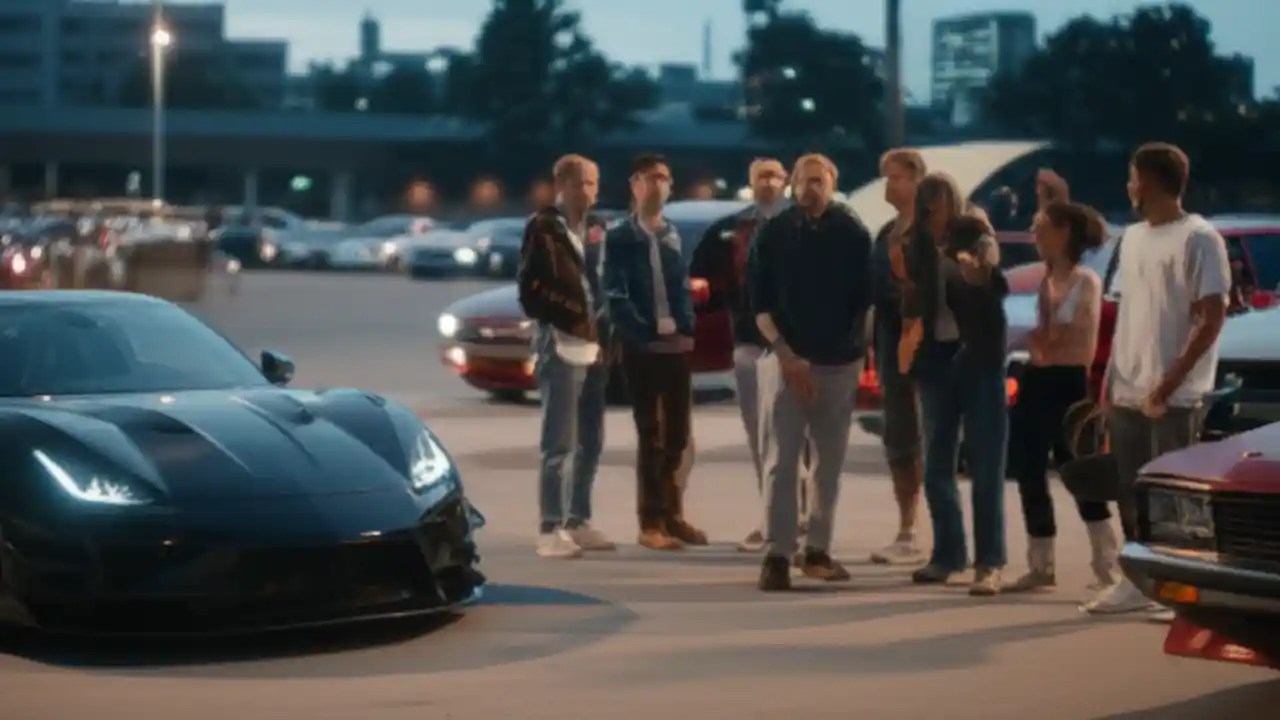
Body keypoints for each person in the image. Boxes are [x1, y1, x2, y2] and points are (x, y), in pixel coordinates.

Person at [1084, 142, 1230, 615]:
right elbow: (1127, 312)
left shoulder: (1200, 238)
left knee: (1173, 496)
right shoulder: (1131, 239)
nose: (1128, 186)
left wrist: (1169, 383)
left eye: (1131, 177)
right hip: (1129, 385)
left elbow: (1211, 318)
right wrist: (1109, 383)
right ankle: (1139, 582)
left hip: (1176, 393)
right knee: (1131, 490)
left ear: (1144, 182)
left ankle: (1180, 587)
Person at [751, 153, 874, 591]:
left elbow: (866, 302)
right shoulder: (775, 233)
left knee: (829, 463)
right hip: (787, 362)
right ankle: (778, 553)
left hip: (839, 363)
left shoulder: (853, 233)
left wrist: (857, 355)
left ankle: (818, 547)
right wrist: (787, 355)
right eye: (804, 181)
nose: (810, 189)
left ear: (833, 185)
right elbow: (760, 306)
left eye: (819, 181)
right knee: (782, 461)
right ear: (793, 185)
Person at [688, 157, 812, 553]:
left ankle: (804, 514)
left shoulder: (804, 224)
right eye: (761, 176)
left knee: (798, 434)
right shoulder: (732, 229)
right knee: (760, 433)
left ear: (786, 181)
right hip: (747, 339)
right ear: (751, 182)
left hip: (797, 342)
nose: (768, 183)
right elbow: (702, 279)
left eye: (774, 176)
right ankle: (772, 513)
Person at [1006, 200, 1119, 592]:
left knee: (1078, 470)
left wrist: (1038, 339)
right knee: (1028, 468)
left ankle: (1106, 561)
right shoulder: (1045, 281)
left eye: (1041, 228)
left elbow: (1064, 335)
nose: (1034, 235)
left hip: (1069, 382)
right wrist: (1035, 341)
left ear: (1063, 233)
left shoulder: (1085, 281)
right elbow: (1043, 338)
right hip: (1038, 378)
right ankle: (1041, 561)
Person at [906, 174, 1011, 596]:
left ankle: (990, 562)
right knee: (935, 464)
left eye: (939, 204)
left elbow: (997, 283)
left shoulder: (975, 232)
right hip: (934, 357)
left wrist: (979, 275)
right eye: (926, 206)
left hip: (978, 357)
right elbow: (914, 298)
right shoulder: (918, 243)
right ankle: (948, 554)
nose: (933, 213)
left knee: (985, 465)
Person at [603, 153, 706, 551]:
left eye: (664, 178)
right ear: (635, 185)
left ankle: (672, 513)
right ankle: (650, 522)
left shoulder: (672, 234)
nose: (658, 185)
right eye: (650, 177)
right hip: (641, 346)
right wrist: (642, 332)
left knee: (679, 435)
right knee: (652, 434)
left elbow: (681, 286)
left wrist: (687, 325)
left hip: (675, 345)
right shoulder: (620, 236)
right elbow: (615, 293)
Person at [517, 154, 614, 559]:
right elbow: (530, 292)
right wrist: (571, 315)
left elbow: (599, 281)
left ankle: (578, 519)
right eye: (580, 184)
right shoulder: (544, 228)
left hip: (595, 343)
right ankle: (550, 527)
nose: (587, 192)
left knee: (591, 439)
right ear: (562, 186)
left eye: (593, 183)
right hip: (560, 341)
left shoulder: (595, 227)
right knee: (559, 442)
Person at [868, 148, 928, 566]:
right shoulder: (885, 233)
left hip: (926, 348)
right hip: (891, 349)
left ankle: (928, 530)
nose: (889, 185)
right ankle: (906, 526)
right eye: (886, 177)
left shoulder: (930, 232)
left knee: (927, 437)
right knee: (899, 438)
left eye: (896, 177)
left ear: (916, 181)